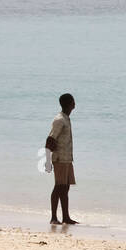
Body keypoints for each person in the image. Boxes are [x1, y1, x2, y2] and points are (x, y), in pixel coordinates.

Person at [44, 93, 77, 225]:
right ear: (69, 104)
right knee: (58, 187)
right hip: (59, 159)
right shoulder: (59, 120)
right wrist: (47, 161)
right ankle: (53, 217)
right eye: (73, 102)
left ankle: (66, 217)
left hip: (67, 158)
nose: (75, 104)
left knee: (66, 187)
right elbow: (50, 140)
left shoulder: (66, 119)